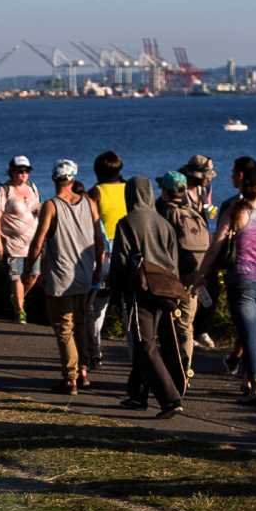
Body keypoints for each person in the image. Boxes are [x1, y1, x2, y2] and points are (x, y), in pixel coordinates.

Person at [21, 159, 104, 393]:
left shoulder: (51, 206)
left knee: (64, 327)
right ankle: (84, 371)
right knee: (81, 323)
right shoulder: (89, 203)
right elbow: (99, 239)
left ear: (53, 178)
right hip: (84, 275)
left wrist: (28, 270)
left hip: (60, 277)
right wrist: (98, 268)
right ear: (74, 178)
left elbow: (38, 242)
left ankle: (70, 378)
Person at [200, 164, 256, 404]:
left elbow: (216, 246)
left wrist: (201, 273)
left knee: (249, 335)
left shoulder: (236, 213)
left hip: (242, 281)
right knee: (252, 333)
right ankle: (248, 381)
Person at [111, 175, 187, 419]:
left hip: (140, 291)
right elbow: (174, 262)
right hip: (166, 291)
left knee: (145, 344)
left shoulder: (126, 223)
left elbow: (120, 262)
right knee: (153, 342)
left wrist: (116, 294)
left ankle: (170, 399)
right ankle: (137, 394)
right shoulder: (164, 223)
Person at [158, 170, 211, 383]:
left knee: (167, 327)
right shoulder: (193, 213)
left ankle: (172, 372)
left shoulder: (165, 214)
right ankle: (185, 371)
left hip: (172, 279)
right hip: (193, 278)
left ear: (165, 191)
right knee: (186, 327)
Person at [0, 156, 41, 324]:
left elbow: (37, 209)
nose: (24, 174)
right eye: (20, 171)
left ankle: (18, 298)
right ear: (12, 171)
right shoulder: (4, 191)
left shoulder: (32, 188)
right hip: (13, 243)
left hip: (33, 243)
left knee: (34, 275)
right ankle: (20, 311)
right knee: (16, 276)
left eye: (27, 171)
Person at [87, 151, 128, 347]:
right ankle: (135, 349)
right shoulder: (128, 188)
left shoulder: (96, 192)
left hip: (104, 253)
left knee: (98, 304)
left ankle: (95, 349)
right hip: (127, 251)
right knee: (127, 303)